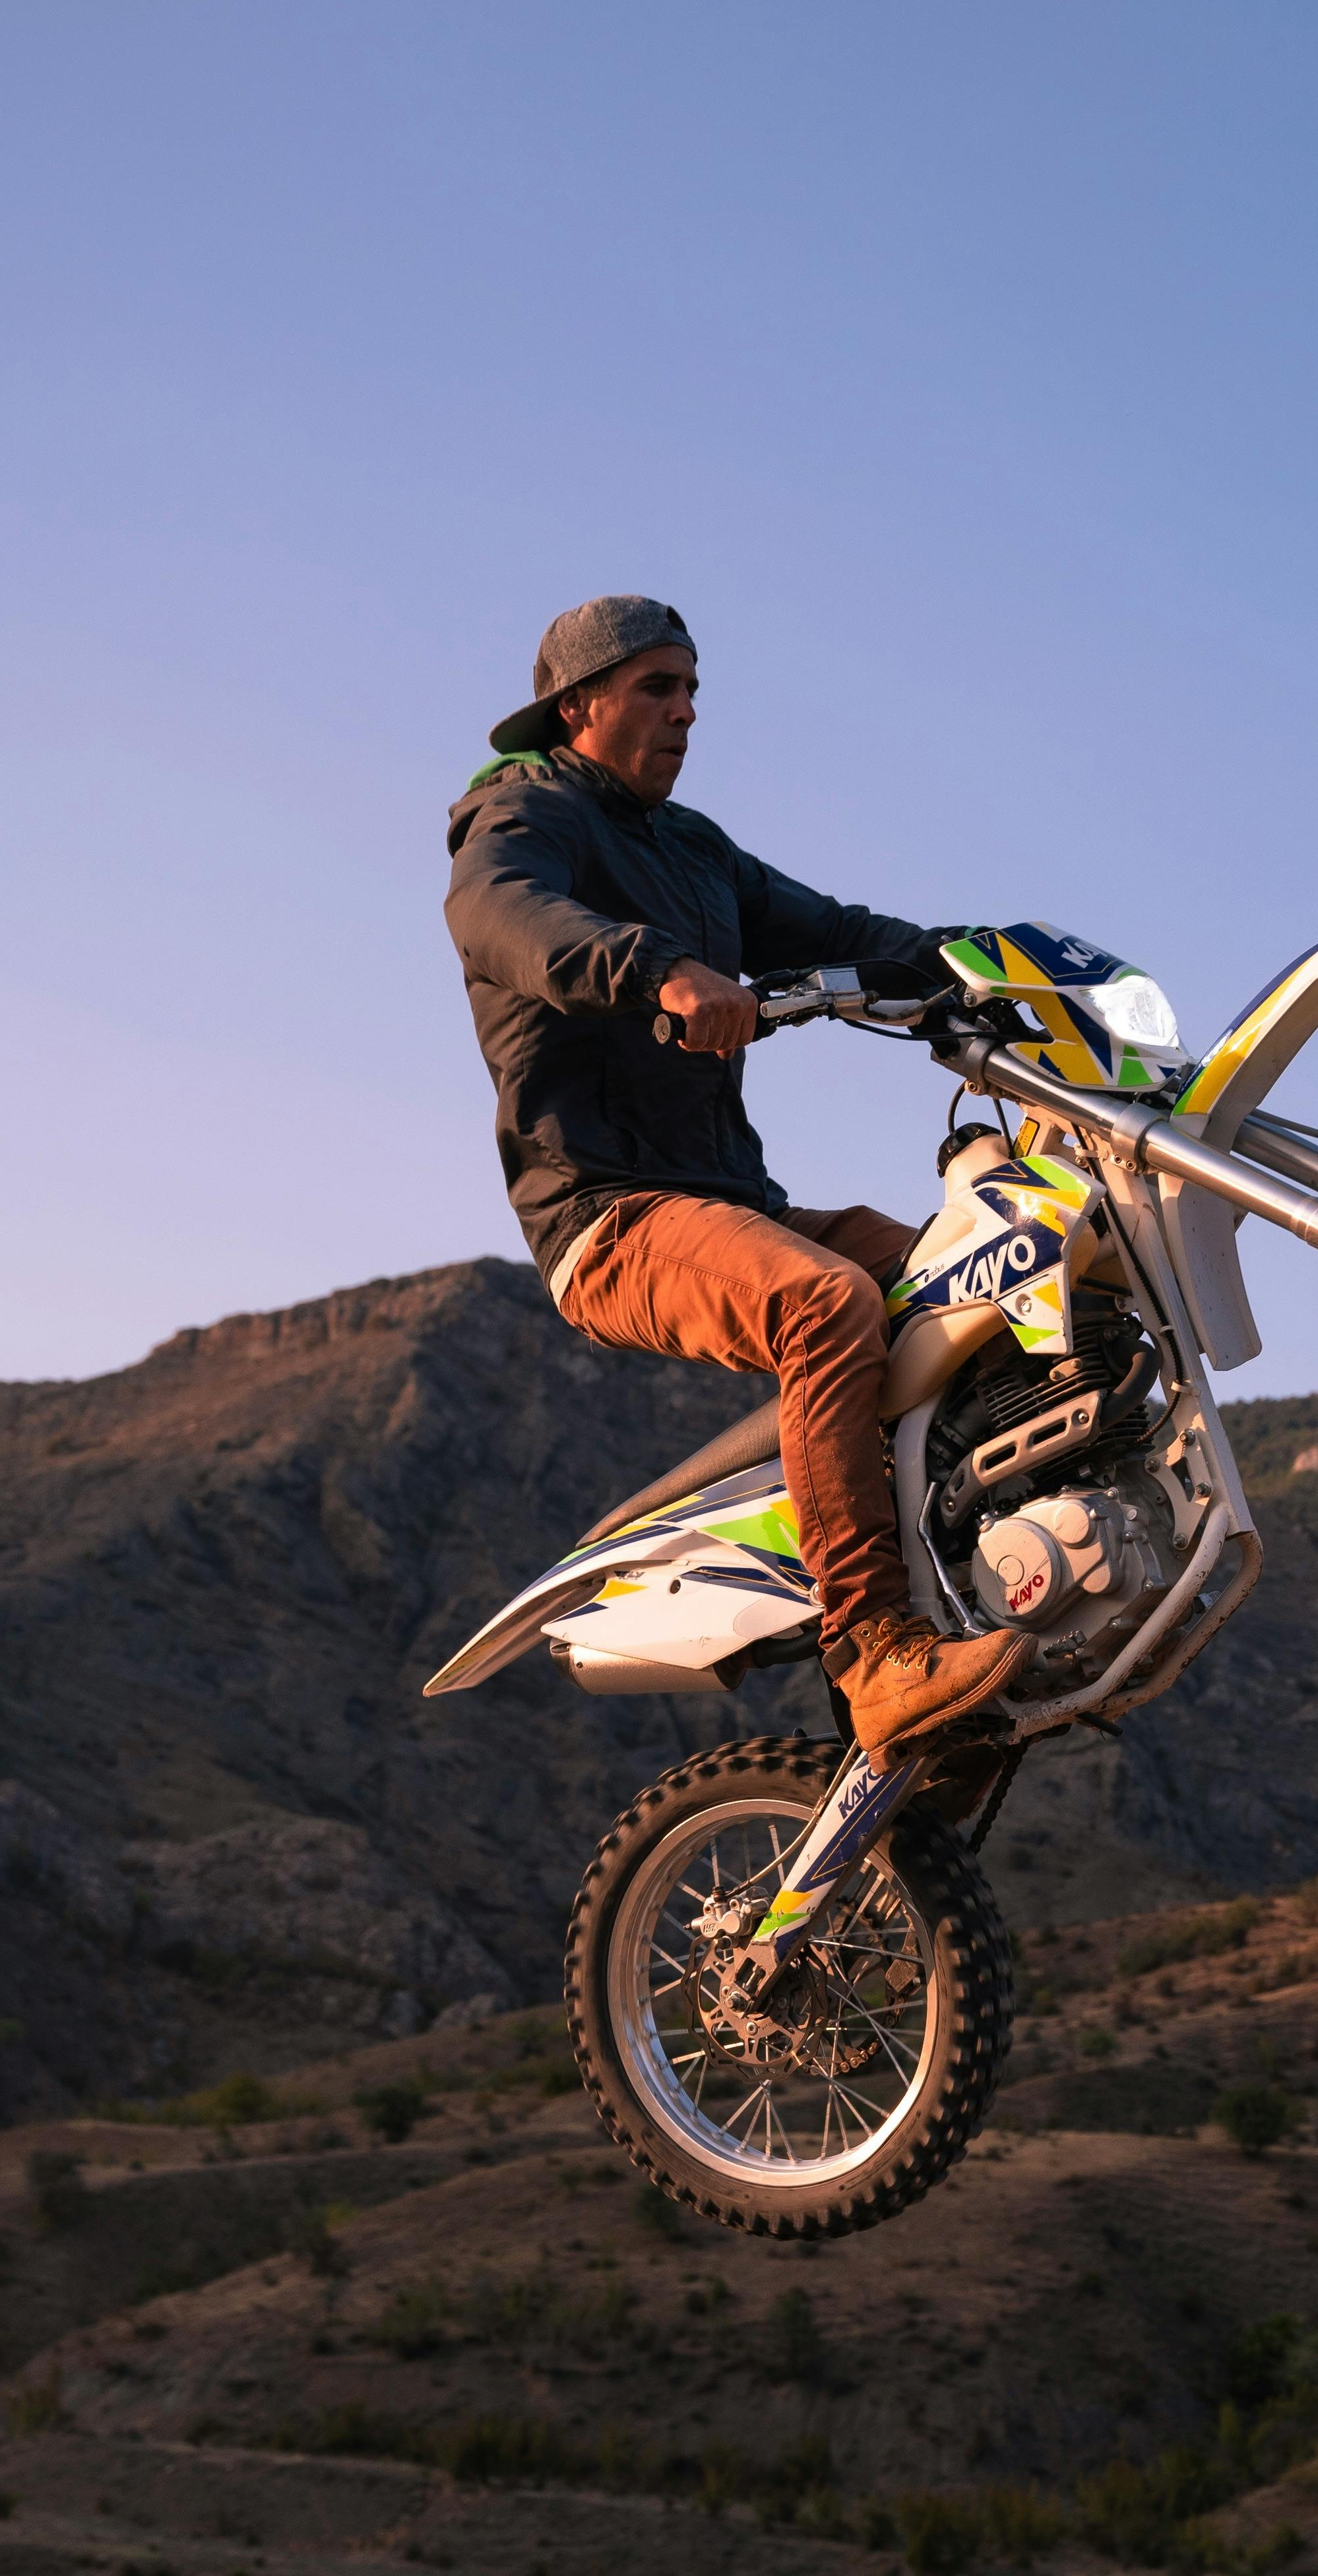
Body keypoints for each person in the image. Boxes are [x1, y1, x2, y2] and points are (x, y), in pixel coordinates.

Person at [444, 594, 1030, 1755]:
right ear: (580, 705)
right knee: (825, 1301)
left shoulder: (696, 851)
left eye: (694, 690)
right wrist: (659, 969)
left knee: (981, 1273)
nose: (686, 712)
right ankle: (878, 1653)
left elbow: (842, 929)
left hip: (730, 1204)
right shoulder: (518, 816)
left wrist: (996, 964)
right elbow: (499, 917)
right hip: (609, 1218)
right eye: (658, 688)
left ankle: (992, 1583)